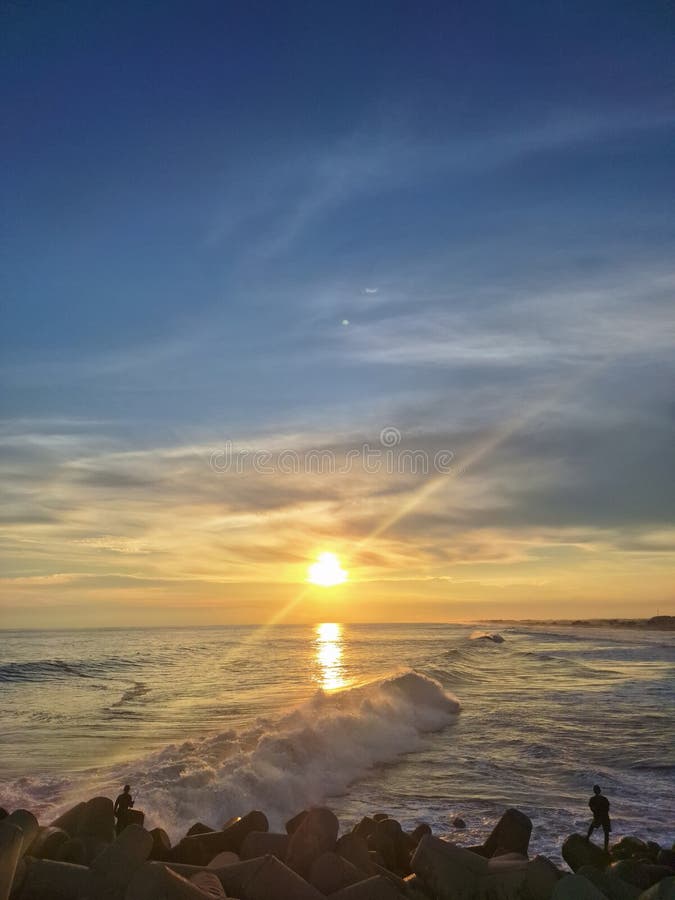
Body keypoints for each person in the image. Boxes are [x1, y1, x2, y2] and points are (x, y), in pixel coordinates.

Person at [586, 784, 611, 851]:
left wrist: (597, 812)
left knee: (592, 827)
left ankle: (587, 838)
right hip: (605, 816)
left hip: (598, 816)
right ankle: (605, 848)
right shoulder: (604, 799)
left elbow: (592, 808)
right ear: (600, 791)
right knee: (606, 833)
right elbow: (607, 808)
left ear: (594, 791)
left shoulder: (592, 799)